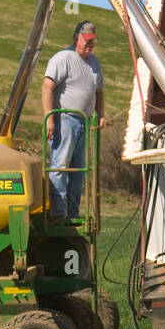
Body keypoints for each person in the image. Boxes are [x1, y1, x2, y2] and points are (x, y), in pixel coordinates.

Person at [42, 21, 105, 218]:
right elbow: (47, 87)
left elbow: (99, 91)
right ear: (77, 37)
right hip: (65, 119)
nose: (90, 44)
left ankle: (72, 212)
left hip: (83, 123)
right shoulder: (63, 58)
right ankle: (59, 212)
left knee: (78, 171)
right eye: (87, 40)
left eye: (92, 41)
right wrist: (50, 119)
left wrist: (101, 114)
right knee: (61, 165)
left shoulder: (93, 63)